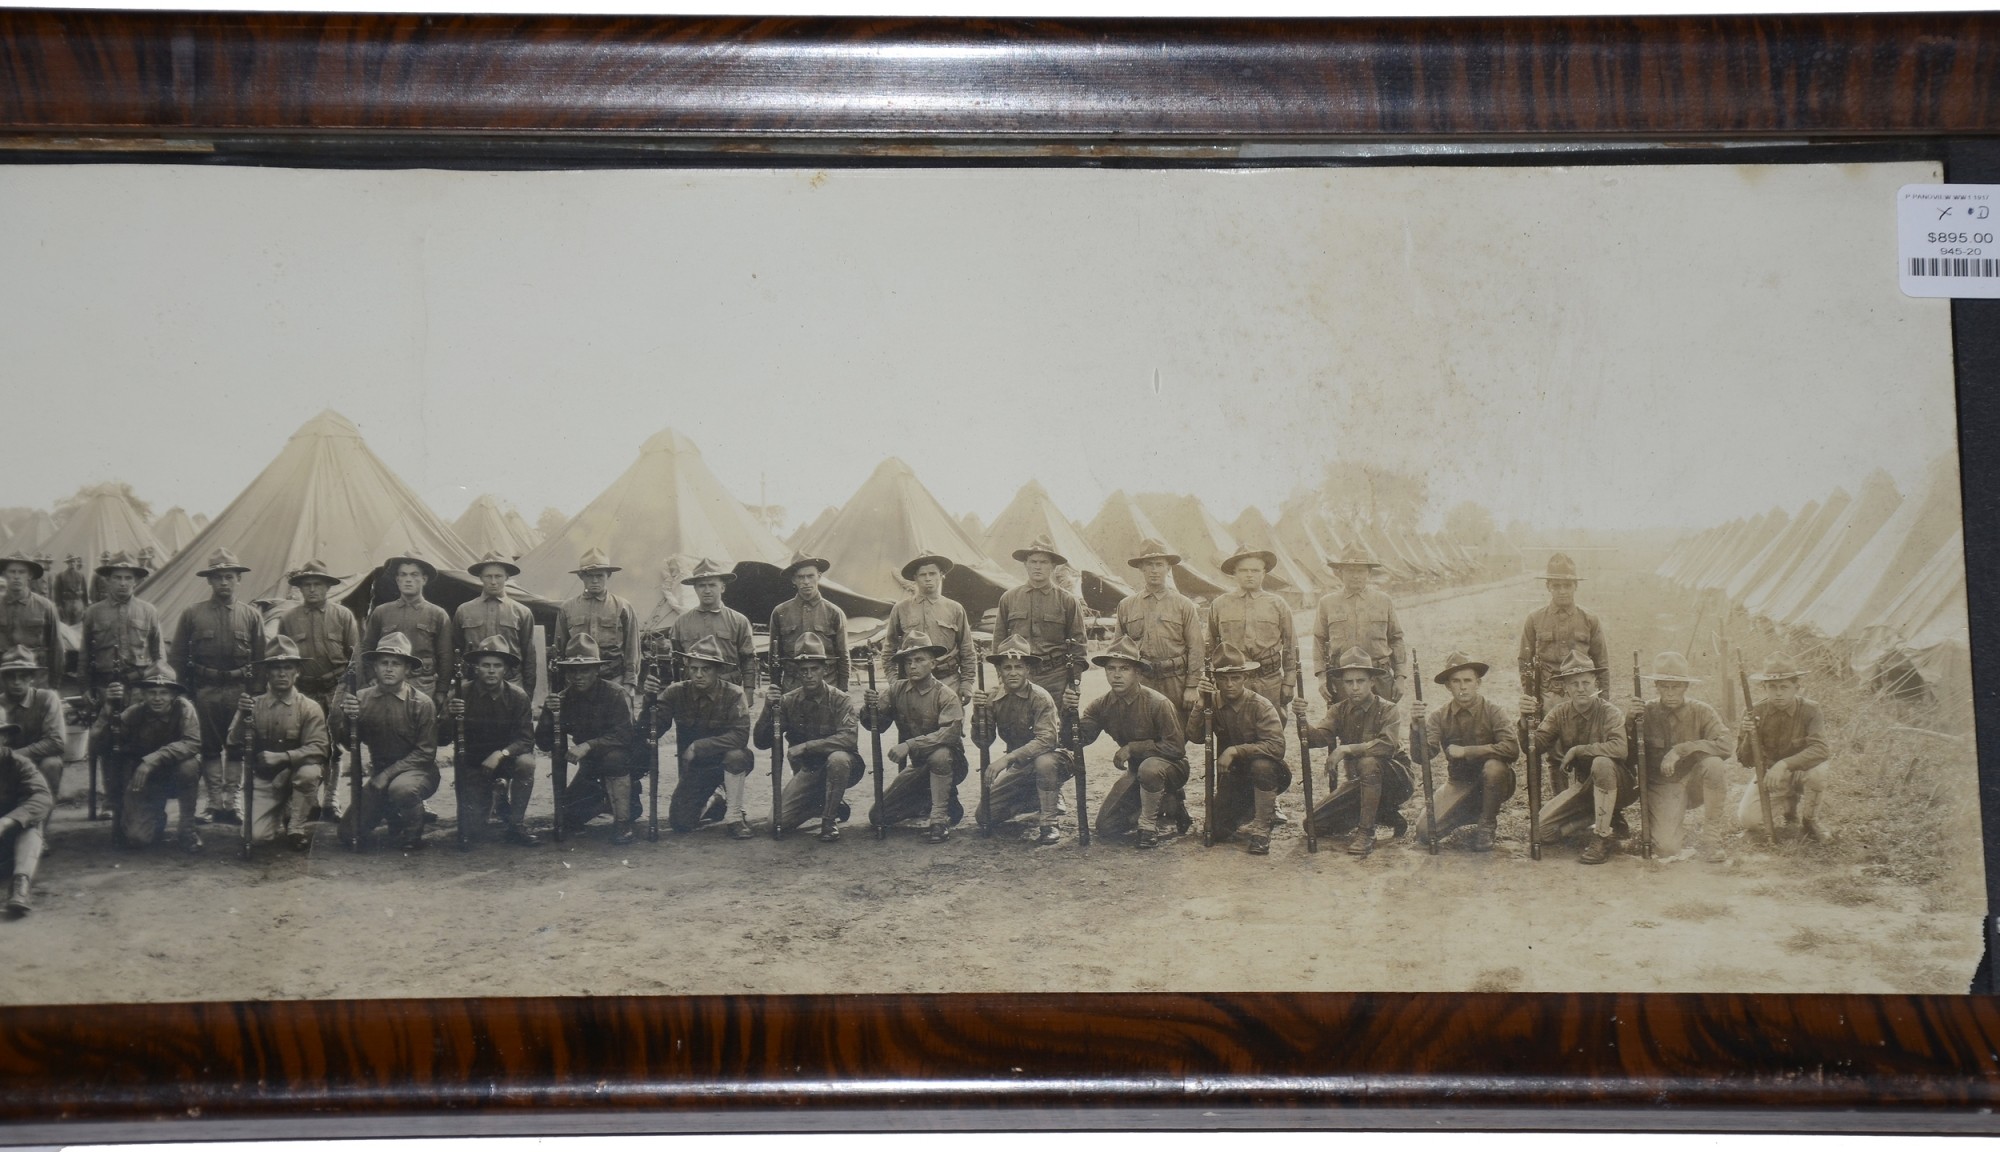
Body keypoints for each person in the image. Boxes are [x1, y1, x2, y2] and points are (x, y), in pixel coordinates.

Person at [1067, 636, 1189, 848]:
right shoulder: (1101, 705)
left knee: (1149, 769)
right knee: (1107, 826)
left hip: (1171, 768)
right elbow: (1078, 740)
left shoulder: (1157, 703)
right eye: (1111, 669)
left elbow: (1176, 748)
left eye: (1124, 669)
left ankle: (1149, 825)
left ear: (1138, 673)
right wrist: (1067, 711)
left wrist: (1134, 747)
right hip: (1137, 772)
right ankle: (1166, 805)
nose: (1116, 675)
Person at [172, 547, 264, 826]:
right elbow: (177, 657)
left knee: (236, 748)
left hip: (240, 691)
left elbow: (260, 659)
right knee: (209, 748)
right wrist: (184, 693)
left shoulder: (251, 616)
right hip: (206, 690)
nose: (224, 582)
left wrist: (256, 695)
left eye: (229, 576)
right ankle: (213, 802)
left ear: (239, 580)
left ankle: (233, 802)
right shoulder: (192, 614)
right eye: (218, 578)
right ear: (209, 582)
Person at [1294, 646, 1411, 856]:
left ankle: (1367, 831)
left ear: (1372, 682)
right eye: (1349, 682)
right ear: (1342, 684)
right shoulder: (1338, 710)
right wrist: (1301, 719)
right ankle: (1383, 813)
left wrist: (1347, 749)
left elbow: (1387, 746)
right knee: (1313, 824)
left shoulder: (1388, 709)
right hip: (1362, 783)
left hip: (1396, 780)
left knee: (1369, 762)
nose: (1355, 687)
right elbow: (1318, 738)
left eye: (1361, 681)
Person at [642, 635, 754, 838]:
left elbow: (740, 736)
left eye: (706, 669)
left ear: (718, 670)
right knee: (681, 823)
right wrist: (649, 699)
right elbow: (652, 728)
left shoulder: (734, 694)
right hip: (696, 769)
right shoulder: (676, 692)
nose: (699, 675)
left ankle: (735, 816)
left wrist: (697, 746)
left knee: (738, 756)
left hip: (724, 763)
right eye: (694, 669)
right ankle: (715, 801)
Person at [753, 632, 861, 841]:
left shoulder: (841, 700)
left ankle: (829, 821)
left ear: (825, 670)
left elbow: (848, 739)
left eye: (814, 669)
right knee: (776, 823)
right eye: (804, 670)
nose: (809, 675)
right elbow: (762, 742)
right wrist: (768, 708)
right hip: (809, 770)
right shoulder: (787, 701)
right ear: (797, 673)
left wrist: (806, 747)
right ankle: (822, 803)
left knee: (837, 759)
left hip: (844, 766)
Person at [337, 632, 440, 851]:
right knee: (347, 833)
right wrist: (347, 718)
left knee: (402, 790)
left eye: (396, 663)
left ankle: (414, 836)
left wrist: (386, 775)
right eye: (384, 662)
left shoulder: (421, 703)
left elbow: (425, 753)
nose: (389, 668)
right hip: (380, 774)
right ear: (375, 667)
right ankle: (394, 816)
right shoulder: (361, 699)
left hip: (419, 772)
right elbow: (348, 744)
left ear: (407, 669)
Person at [863, 629, 967, 843]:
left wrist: (909, 745)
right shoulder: (896, 690)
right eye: (908, 661)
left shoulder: (945, 695)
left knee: (940, 755)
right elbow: (876, 725)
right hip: (919, 766)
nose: (912, 666)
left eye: (919, 660)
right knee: (878, 816)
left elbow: (949, 735)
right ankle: (934, 800)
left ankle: (939, 820)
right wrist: (870, 707)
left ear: (933, 664)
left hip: (950, 763)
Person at [1408, 650, 1518, 852]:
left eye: (1468, 680)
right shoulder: (1439, 716)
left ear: (1478, 683)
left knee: (1494, 767)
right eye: (1456, 681)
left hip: (1496, 781)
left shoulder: (1494, 711)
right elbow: (1422, 756)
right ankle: (1469, 811)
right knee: (1425, 832)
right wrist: (1416, 728)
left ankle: (1487, 823)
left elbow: (1512, 748)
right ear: (1448, 686)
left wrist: (1467, 751)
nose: (1463, 686)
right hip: (1458, 782)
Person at [226, 636, 330, 851]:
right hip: (265, 779)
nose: (282, 673)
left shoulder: (309, 707)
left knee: (310, 772)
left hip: (295, 774)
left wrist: (283, 757)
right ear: (267, 672)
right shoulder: (252, 705)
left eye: (288, 667)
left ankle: (296, 827)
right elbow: (232, 744)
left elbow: (320, 748)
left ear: (297, 671)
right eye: (276, 668)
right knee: (255, 837)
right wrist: (241, 716)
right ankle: (279, 812)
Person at [1627, 651, 1732, 861]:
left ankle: (1711, 838)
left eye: (1676, 686)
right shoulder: (1644, 712)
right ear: (1656, 686)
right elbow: (1627, 757)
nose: (1671, 692)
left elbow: (1726, 745)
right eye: (1665, 686)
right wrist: (1628, 721)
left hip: (1694, 782)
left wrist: (1680, 750)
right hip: (1663, 786)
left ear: (1686, 686)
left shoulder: (1702, 711)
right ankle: (1672, 826)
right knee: (1666, 848)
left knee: (1713, 764)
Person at [275, 560, 360, 819]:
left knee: (335, 747)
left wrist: (351, 692)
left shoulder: (343, 616)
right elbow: (281, 658)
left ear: (327, 587)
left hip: (336, 687)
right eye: (306, 585)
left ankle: (331, 801)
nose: (312, 590)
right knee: (304, 746)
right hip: (304, 690)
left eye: (318, 584)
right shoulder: (289, 619)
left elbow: (355, 656)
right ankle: (307, 802)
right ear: (299, 588)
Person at [1188, 642, 1289, 855]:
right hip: (1234, 777)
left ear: (1245, 678)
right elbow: (1195, 736)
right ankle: (1251, 807)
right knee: (1215, 831)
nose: (1230, 684)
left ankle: (1262, 829)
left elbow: (1277, 747)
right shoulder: (1211, 702)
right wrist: (1199, 702)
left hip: (1269, 774)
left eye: (1235, 678)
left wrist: (1234, 750)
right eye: (1223, 679)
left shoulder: (1260, 705)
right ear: (1215, 681)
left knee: (1261, 766)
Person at [536, 634, 638, 843]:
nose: (578, 676)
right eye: (572, 670)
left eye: (585, 670)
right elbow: (544, 743)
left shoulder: (616, 694)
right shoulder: (563, 699)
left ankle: (623, 822)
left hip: (621, 761)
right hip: (590, 767)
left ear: (597, 670)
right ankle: (605, 799)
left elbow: (626, 736)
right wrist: (548, 712)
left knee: (615, 759)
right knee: (569, 817)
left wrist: (588, 745)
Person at [1533, 649, 1631, 864]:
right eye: (1574, 684)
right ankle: (1603, 818)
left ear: (1595, 683)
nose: (1580, 689)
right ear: (1566, 688)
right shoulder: (1559, 713)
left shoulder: (1609, 712)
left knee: (1602, 762)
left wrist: (1579, 750)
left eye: (1585, 682)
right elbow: (1536, 746)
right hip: (1584, 788)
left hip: (1617, 783)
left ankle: (1602, 837)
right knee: (1540, 831)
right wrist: (1525, 723)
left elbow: (1620, 748)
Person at [441, 635, 539, 847]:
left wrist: (501, 754)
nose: (492, 670)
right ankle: (495, 793)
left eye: (497, 665)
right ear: (476, 668)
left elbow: (526, 740)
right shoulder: (460, 694)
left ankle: (516, 825)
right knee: (473, 830)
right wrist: (449, 715)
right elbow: (441, 738)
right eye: (486, 665)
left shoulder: (518, 696)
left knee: (527, 763)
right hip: (474, 764)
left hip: (507, 759)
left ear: (505, 670)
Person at [969, 636, 1069, 845]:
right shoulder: (993, 697)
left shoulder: (1040, 697)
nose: (1013, 672)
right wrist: (978, 713)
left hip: (1051, 758)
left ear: (1028, 670)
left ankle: (1049, 822)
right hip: (1020, 765)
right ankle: (1035, 798)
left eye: (1018, 667)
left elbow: (1047, 740)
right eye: (1007, 667)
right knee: (985, 816)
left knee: (1045, 763)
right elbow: (983, 741)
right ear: (999, 671)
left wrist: (1006, 760)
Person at [1734, 653, 1834, 844]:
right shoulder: (1754, 712)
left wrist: (1784, 764)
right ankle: (1789, 806)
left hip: (1801, 770)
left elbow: (1821, 749)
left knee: (1818, 772)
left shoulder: (1811, 710)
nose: (1778, 693)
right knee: (1749, 820)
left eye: (1784, 687)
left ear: (1797, 687)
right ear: (1764, 687)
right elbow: (1743, 760)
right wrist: (1749, 734)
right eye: (1772, 687)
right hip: (1771, 775)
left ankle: (1810, 820)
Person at [79, 550, 163, 773]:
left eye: (128, 578)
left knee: (141, 739)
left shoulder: (149, 611)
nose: (123, 583)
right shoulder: (93, 613)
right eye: (117, 577)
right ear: (107, 580)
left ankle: (137, 796)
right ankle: (111, 800)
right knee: (107, 741)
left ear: (136, 580)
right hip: (106, 687)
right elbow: (85, 654)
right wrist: (86, 689)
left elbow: (159, 656)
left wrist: (157, 688)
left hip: (139, 688)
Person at [112, 663, 203, 852]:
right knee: (137, 839)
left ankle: (187, 828)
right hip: (146, 779)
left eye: (163, 693)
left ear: (172, 694)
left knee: (189, 766)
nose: (157, 698)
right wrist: (108, 711)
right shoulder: (133, 714)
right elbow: (109, 746)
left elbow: (193, 742)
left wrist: (155, 758)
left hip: (175, 774)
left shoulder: (184, 709)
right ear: (143, 695)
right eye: (152, 692)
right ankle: (155, 818)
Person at [1113, 538, 1204, 725]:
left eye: (1159, 565)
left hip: (1175, 681)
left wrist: (1192, 685)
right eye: (1149, 565)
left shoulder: (1183, 605)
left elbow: (1196, 647)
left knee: (1177, 732)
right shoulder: (1126, 605)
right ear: (1141, 568)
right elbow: (1118, 650)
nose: (1154, 570)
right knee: (1141, 728)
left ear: (1168, 568)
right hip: (1141, 680)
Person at [994, 534, 1087, 699]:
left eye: (1043, 562)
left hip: (1056, 676)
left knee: (1057, 723)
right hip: (1020, 676)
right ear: (1025, 565)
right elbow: (999, 641)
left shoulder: (1068, 601)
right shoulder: (1009, 598)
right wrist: (1002, 677)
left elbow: (1079, 646)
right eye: (1033, 562)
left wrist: (1073, 683)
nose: (1038, 567)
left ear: (1053, 566)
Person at [1517, 553, 1609, 719]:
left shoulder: (1589, 619)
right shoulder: (1534, 619)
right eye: (1556, 586)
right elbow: (1525, 661)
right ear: (1548, 586)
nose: (1562, 591)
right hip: (1548, 694)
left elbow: (1601, 662)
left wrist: (1603, 701)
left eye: (1567, 586)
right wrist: (1530, 695)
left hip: (1581, 694)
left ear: (1575, 586)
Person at [1207, 545, 1297, 712]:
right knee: (1231, 729)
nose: (1249, 575)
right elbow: (1210, 645)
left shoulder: (1277, 604)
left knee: (1272, 729)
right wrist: (1212, 679)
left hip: (1269, 680)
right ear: (1234, 572)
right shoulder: (1220, 604)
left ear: (1264, 573)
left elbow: (1291, 645)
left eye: (1255, 570)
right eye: (1243, 570)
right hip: (1232, 681)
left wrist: (1289, 682)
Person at [1314, 541, 1405, 702]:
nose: (1355, 575)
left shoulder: (1384, 601)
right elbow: (1319, 641)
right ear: (1340, 572)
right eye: (1350, 570)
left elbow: (1396, 639)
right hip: (1344, 678)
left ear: (1369, 573)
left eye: (1360, 570)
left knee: (1383, 722)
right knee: (1343, 723)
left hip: (1379, 676)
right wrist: (1321, 677)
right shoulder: (1327, 603)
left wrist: (1400, 677)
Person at [883, 550, 976, 702]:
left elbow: (967, 649)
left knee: (950, 723)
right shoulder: (901, 608)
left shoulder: (955, 608)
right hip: (911, 683)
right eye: (922, 575)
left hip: (949, 681)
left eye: (932, 574)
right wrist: (894, 681)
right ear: (915, 578)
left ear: (941, 575)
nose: (928, 579)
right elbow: (888, 649)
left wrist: (967, 683)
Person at [360, 552, 450, 706]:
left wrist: (441, 690)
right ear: (397, 580)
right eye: (403, 575)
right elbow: (367, 647)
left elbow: (445, 655)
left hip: (423, 683)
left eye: (414, 575)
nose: (408, 579)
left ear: (424, 579)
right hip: (386, 683)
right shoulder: (382, 612)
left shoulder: (437, 614)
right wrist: (371, 677)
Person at [553, 548, 641, 697]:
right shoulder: (567, 608)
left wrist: (629, 683)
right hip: (578, 682)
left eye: (599, 576)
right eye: (589, 576)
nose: (594, 581)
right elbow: (560, 650)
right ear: (581, 577)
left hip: (614, 679)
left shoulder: (623, 606)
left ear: (609, 575)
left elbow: (632, 649)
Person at [0, 647, 65, 844]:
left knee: (51, 764)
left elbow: (56, 742)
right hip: (4, 765)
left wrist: (15, 756)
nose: (17, 682)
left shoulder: (46, 698)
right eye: (11, 677)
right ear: (3, 679)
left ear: (32, 678)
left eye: (23, 676)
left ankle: (39, 831)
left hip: (34, 761)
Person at [452, 551, 538, 700]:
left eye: (498, 576)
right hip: (473, 683)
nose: (493, 581)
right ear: (480, 578)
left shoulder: (522, 612)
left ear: (507, 577)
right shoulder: (464, 610)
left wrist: (528, 693)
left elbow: (529, 654)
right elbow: (456, 649)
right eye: (488, 576)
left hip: (511, 683)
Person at [667, 558, 757, 696]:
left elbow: (748, 658)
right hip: (692, 691)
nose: (707, 590)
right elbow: (676, 660)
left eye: (712, 585)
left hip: (728, 691)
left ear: (722, 587)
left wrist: (749, 691)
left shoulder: (739, 621)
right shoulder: (681, 622)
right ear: (695, 589)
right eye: (702, 585)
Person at [767, 551, 850, 692]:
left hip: (827, 687)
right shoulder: (780, 612)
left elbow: (843, 656)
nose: (806, 582)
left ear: (819, 576)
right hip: (793, 688)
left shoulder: (834, 612)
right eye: (800, 577)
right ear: (793, 580)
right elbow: (774, 656)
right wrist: (775, 687)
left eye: (810, 576)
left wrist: (843, 690)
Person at [0, 722, 52, 916]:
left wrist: (6, 821)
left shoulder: (18, 763)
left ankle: (20, 884)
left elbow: (41, 797)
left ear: (4, 738)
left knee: (31, 822)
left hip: (10, 840)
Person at [0, 552, 61, 689]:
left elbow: (56, 648)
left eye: (22, 572)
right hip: (3, 678)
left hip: (36, 678)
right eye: (12, 571)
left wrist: (53, 685)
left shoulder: (45, 606)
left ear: (30, 576)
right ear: (4, 574)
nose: (16, 576)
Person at [53, 554, 88, 626]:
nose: (72, 563)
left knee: (78, 625)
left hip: (78, 602)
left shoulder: (81, 575)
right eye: (70, 562)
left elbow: (84, 590)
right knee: (66, 625)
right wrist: (58, 605)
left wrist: (86, 605)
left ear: (75, 562)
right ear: (67, 563)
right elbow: (57, 591)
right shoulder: (61, 575)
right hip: (66, 602)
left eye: (73, 561)